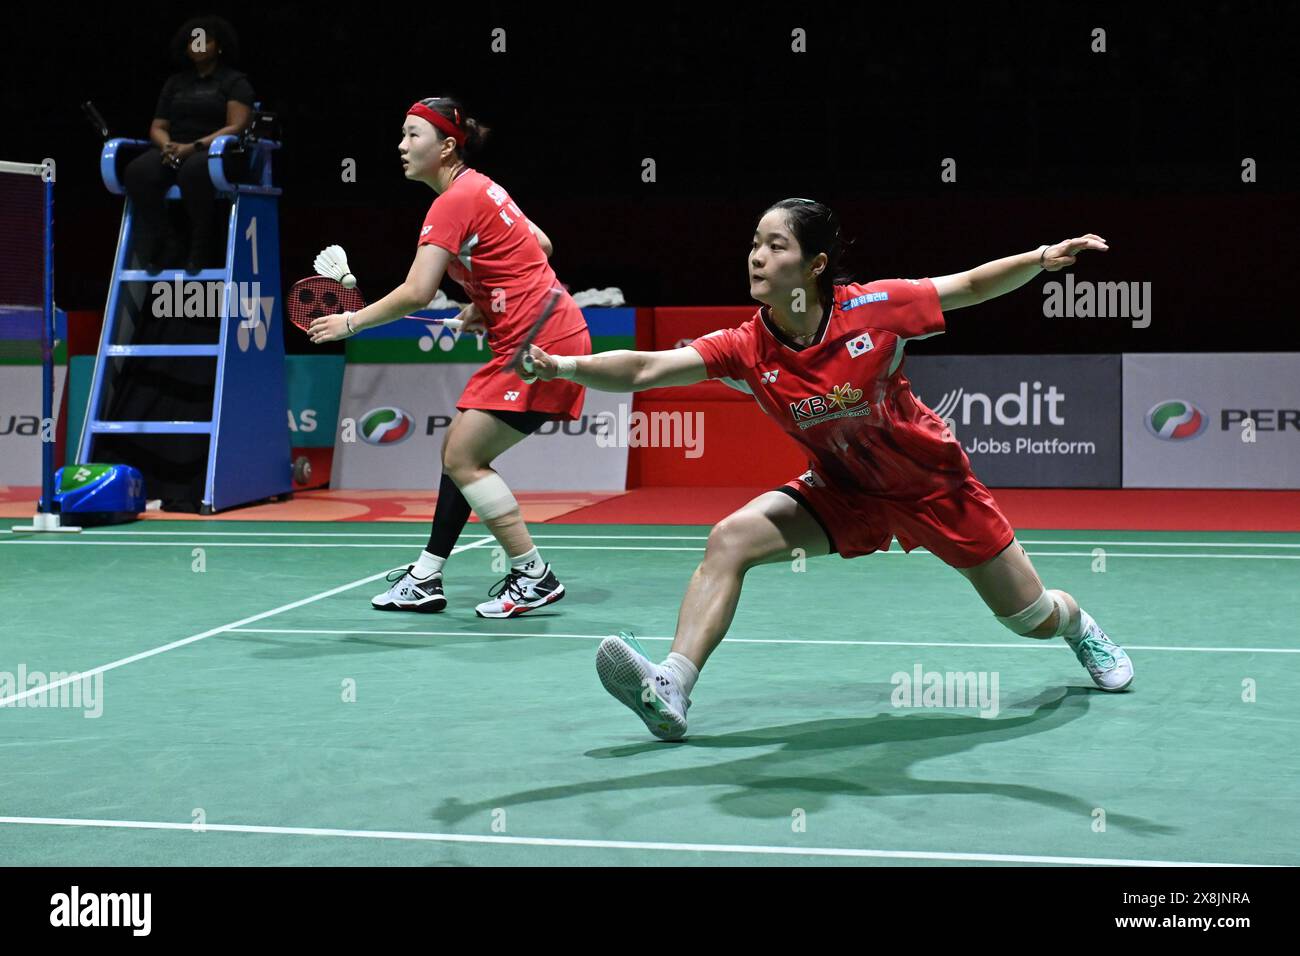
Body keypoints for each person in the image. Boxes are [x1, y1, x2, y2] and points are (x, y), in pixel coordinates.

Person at [523, 198, 1133, 739]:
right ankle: (672, 685)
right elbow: (643, 370)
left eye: (775, 244)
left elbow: (969, 286)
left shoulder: (875, 307)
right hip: (844, 492)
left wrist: (1044, 257)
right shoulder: (745, 345)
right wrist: (562, 368)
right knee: (730, 539)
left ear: (814, 265)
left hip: (932, 488)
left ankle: (1079, 626)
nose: (756, 257)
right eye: (754, 244)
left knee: (1029, 618)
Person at [308, 96, 591, 619]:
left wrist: (352, 322)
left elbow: (417, 292)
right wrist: (486, 302)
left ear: (446, 146)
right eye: (402, 133)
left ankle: (534, 575)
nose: (401, 145)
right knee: (459, 452)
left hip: (538, 341)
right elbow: (541, 245)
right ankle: (427, 575)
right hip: (544, 329)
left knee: (463, 457)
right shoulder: (482, 187)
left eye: (413, 134)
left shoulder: (452, 201)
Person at [124, 16, 254, 273]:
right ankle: (168, 240)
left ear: (219, 46)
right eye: (192, 41)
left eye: (204, 40)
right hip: (176, 150)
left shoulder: (234, 82)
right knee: (138, 172)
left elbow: (236, 127)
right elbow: (158, 127)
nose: (197, 45)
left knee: (193, 170)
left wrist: (193, 147)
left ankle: (200, 247)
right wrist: (167, 146)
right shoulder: (175, 83)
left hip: (217, 152)